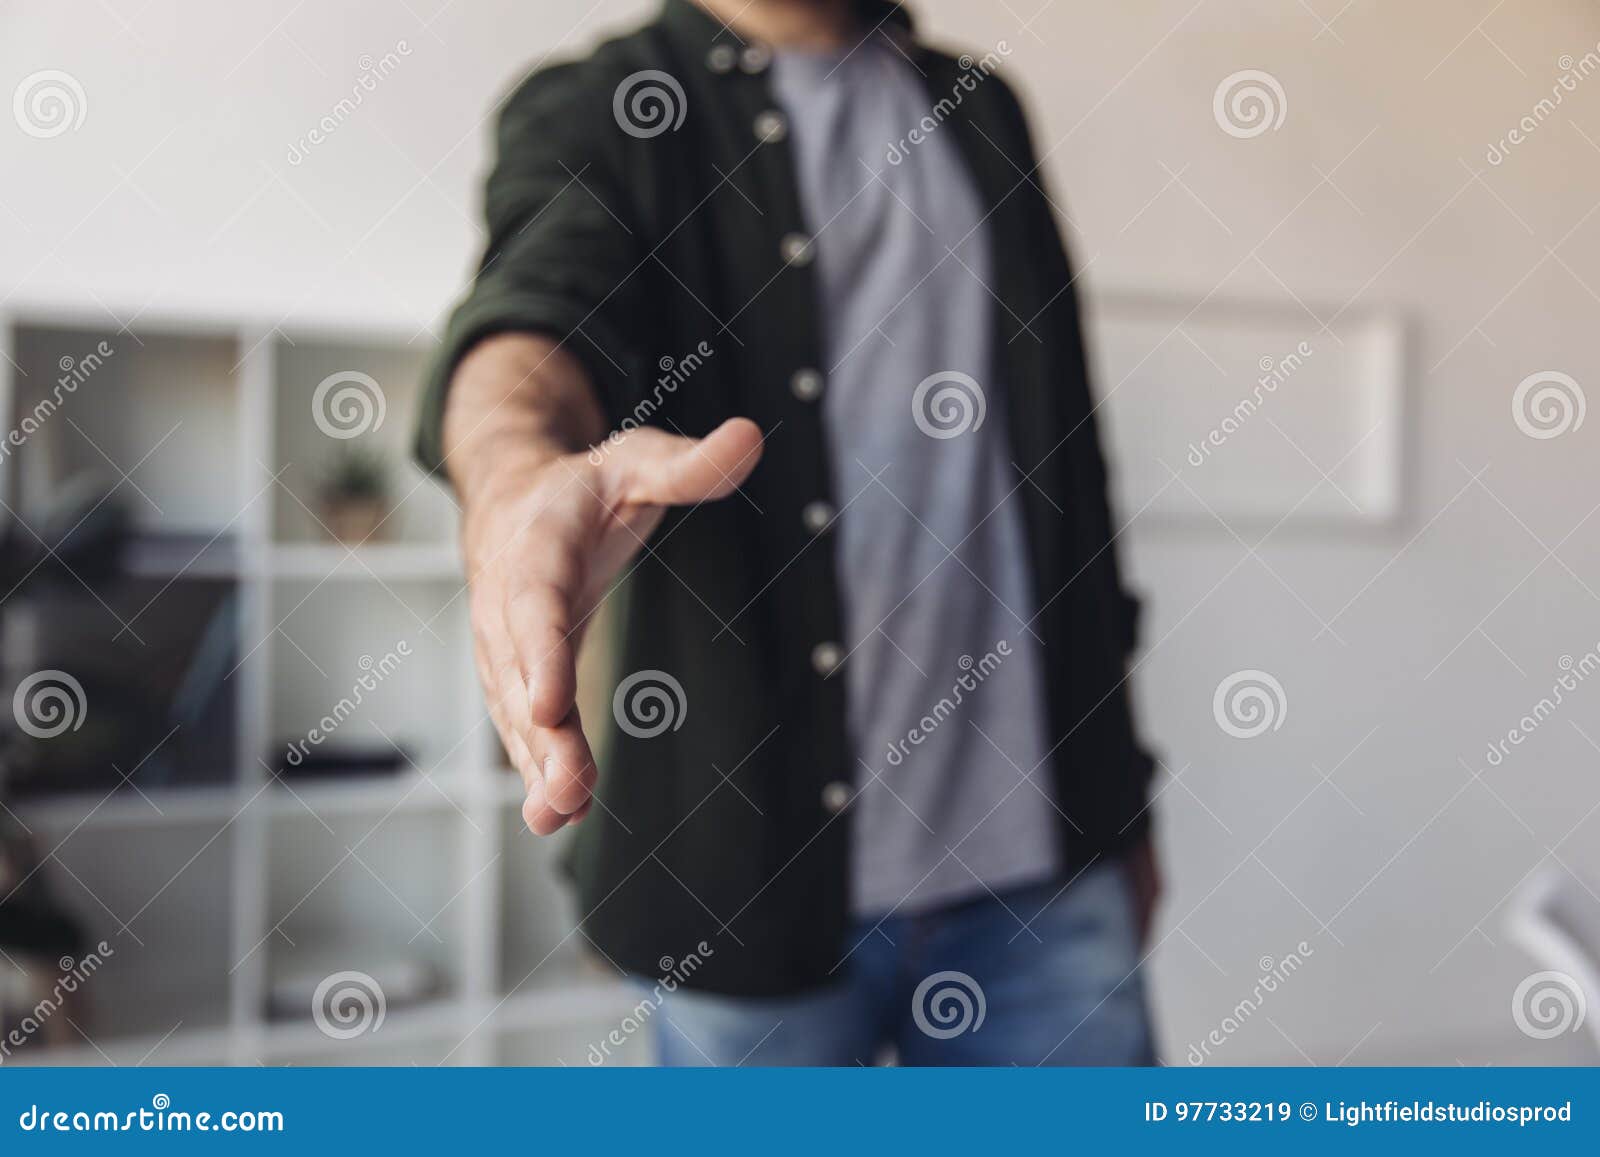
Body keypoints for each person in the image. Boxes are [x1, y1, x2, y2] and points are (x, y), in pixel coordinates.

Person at [416, 0, 1161, 1066]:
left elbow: (1071, 474)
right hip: (744, 891)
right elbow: (536, 309)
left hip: (1050, 873)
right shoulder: (607, 103)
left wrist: (1127, 800)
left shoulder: (981, 107)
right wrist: (511, 469)